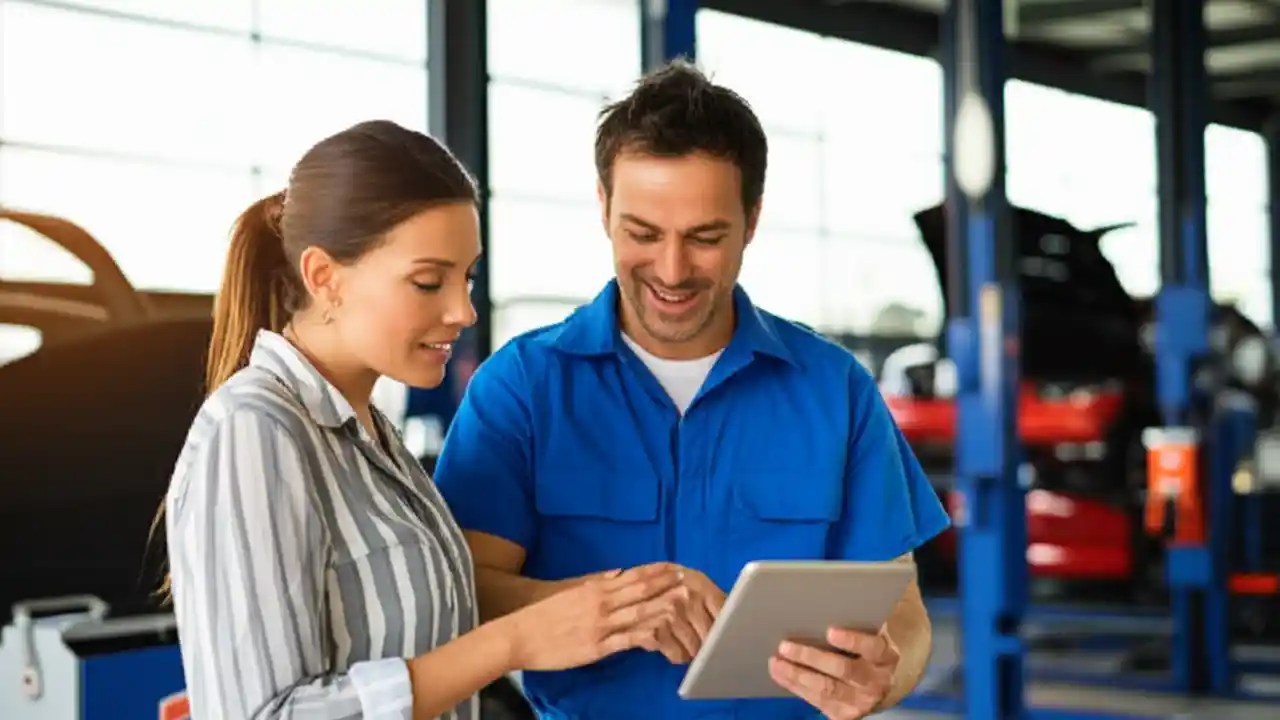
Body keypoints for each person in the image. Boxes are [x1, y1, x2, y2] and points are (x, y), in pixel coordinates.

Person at [432, 61, 952, 719]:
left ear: (752, 219)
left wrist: (886, 672)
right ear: (603, 207)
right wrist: (619, 606)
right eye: (643, 234)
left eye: (706, 238)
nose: (672, 270)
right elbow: (461, 596)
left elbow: (903, 613)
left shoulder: (835, 390)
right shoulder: (522, 388)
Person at [160, 120, 690, 720]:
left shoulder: (371, 438)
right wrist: (510, 644)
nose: (462, 310)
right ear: (323, 278)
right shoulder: (254, 432)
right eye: (427, 282)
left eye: (466, 278)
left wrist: (623, 604)